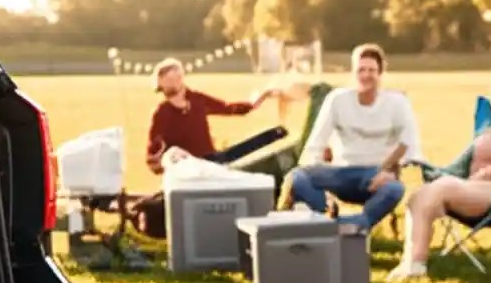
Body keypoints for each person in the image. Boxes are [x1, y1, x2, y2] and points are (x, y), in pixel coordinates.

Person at [387, 67, 491, 280]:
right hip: (467, 189)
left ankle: (413, 265)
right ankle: (413, 264)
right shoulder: (485, 132)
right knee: (418, 197)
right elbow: (455, 169)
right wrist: (421, 163)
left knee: (441, 189)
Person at [282, 43, 423, 231]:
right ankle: (324, 219)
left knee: (395, 189)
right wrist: (315, 174)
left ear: (380, 73)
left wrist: (390, 172)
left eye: (371, 70)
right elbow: (315, 144)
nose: (366, 75)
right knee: (298, 177)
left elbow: (410, 144)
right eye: (361, 70)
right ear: (353, 72)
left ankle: (358, 224)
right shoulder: (337, 99)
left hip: (375, 175)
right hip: (340, 173)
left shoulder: (397, 102)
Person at [145, 57, 279, 173]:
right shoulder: (161, 113)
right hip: (187, 171)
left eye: (177, 76)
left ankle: (278, 133)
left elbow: (229, 108)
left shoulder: (197, 100)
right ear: (160, 83)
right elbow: (153, 156)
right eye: (168, 78)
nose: (174, 81)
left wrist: (261, 96)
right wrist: (170, 165)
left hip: (211, 162)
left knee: (273, 135)